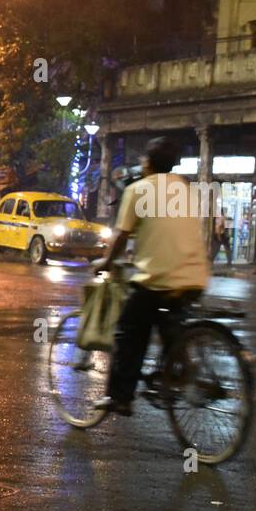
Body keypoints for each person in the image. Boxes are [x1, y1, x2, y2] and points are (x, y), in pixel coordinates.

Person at [91, 137, 210, 416]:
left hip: (158, 277)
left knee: (130, 331)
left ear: (147, 163)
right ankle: (178, 372)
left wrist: (106, 262)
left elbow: (121, 236)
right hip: (195, 277)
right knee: (169, 324)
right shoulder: (185, 188)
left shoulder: (138, 190)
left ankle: (120, 396)